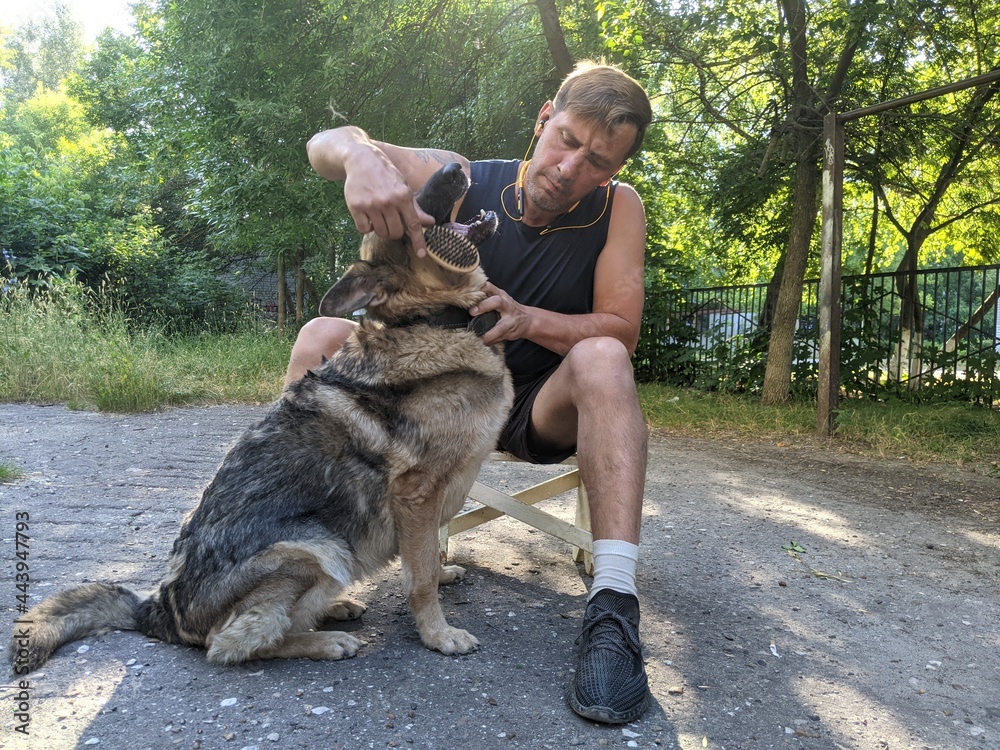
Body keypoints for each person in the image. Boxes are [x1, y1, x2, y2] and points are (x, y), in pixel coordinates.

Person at [288, 60, 653, 725]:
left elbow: (621, 329)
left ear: (613, 170)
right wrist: (361, 157)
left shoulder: (619, 208)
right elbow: (324, 145)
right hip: (432, 396)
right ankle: (295, 548)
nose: (573, 168)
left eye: (599, 162)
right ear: (545, 118)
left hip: (537, 404)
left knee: (602, 357)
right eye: (568, 140)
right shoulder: (461, 175)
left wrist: (527, 320)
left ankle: (613, 610)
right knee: (319, 334)